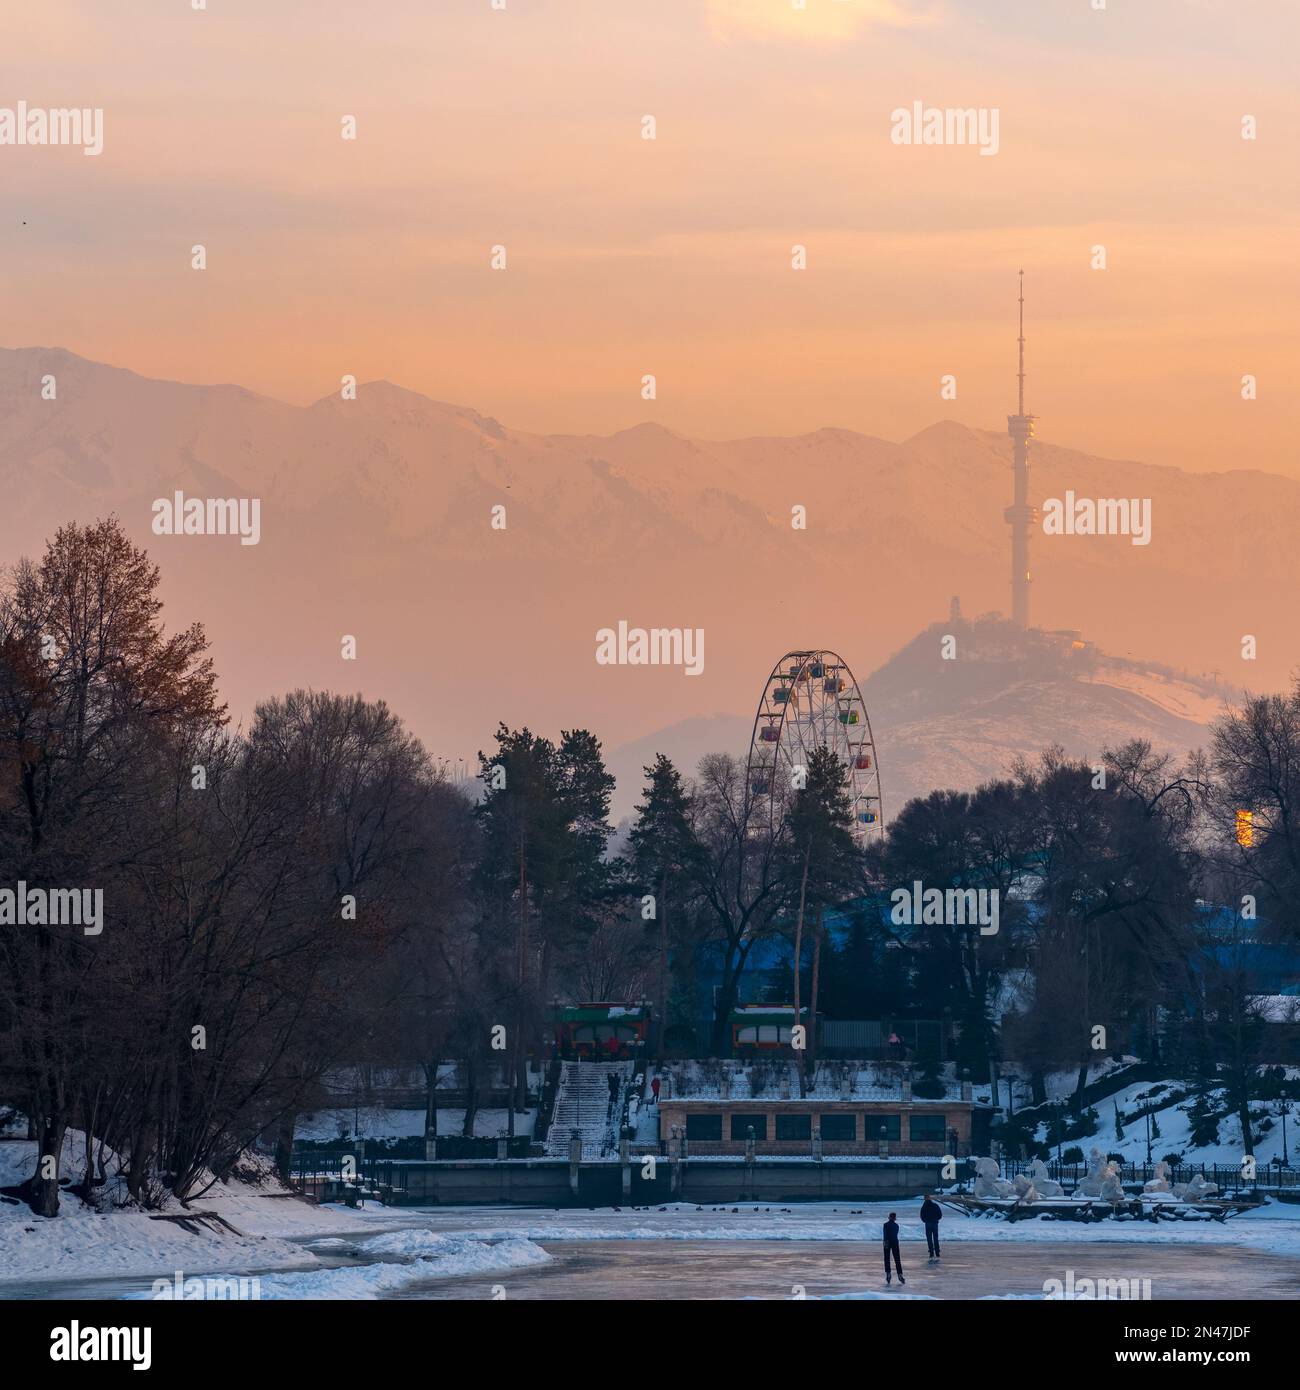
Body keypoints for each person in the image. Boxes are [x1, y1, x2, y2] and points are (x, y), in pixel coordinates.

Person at [883, 1212, 905, 1285]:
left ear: (889, 1217)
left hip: (887, 1242)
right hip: (895, 1242)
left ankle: (888, 1273)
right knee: (897, 1259)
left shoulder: (885, 1225)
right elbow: (895, 1234)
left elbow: (885, 1234)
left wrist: (885, 1242)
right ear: (895, 1218)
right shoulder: (896, 1226)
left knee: (887, 1259)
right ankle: (900, 1274)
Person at [919, 1194, 942, 1260]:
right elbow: (940, 1215)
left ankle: (931, 1252)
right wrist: (936, 1219)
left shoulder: (924, 1206)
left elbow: (922, 1215)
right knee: (935, 1238)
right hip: (935, 1223)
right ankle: (937, 1252)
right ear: (930, 1198)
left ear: (925, 1199)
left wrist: (925, 1220)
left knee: (929, 1238)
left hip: (928, 1223)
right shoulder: (935, 1205)